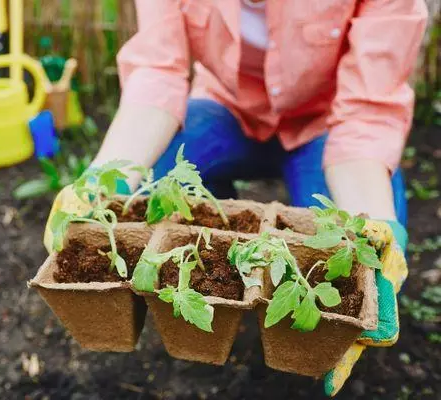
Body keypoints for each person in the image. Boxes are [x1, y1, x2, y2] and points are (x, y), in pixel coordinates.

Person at [47, 0, 427, 396]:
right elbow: (158, 70)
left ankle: (313, 344)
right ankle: (219, 284)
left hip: (327, 121)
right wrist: (102, 179)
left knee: (346, 249)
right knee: (170, 175)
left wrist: (376, 220)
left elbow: (367, 111)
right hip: (227, 105)